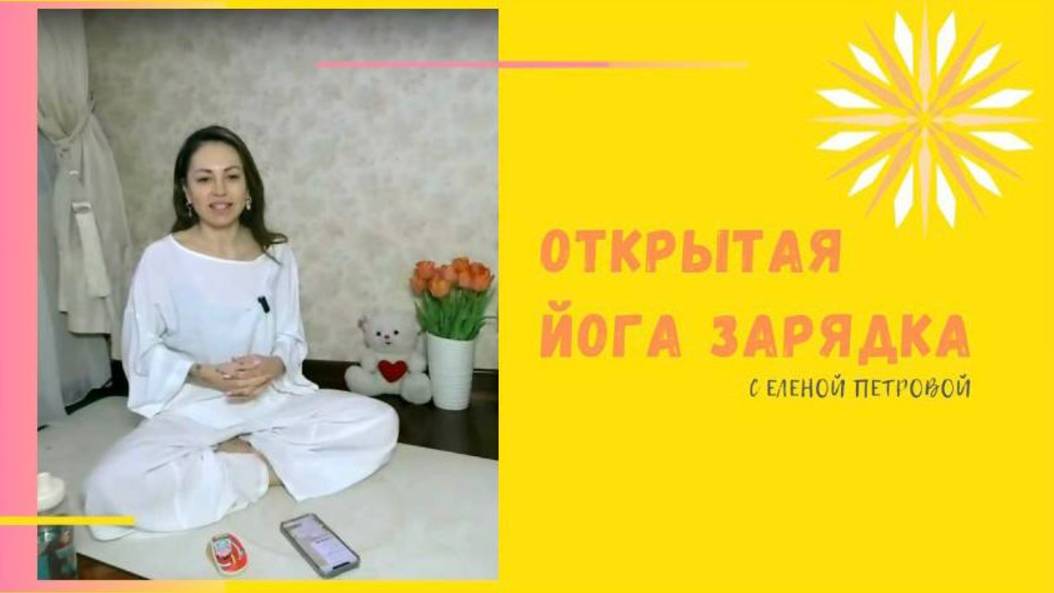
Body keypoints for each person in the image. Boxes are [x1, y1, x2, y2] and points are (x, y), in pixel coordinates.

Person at [83, 126, 398, 541]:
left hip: (270, 400)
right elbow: (141, 348)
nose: (219, 190)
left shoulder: (277, 253)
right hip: (194, 406)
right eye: (204, 178)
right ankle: (259, 465)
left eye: (231, 176)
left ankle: (243, 461)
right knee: (110, 490)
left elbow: (290, 335)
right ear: (186, 192)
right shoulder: (161, 258)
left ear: (248, 187)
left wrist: (275, 365)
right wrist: (201, 373)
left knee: (380, 422)